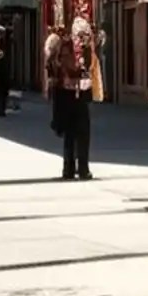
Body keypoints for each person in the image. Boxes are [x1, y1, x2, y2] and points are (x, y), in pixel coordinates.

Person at [44, 18, 104, 180]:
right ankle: (81, 169)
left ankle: (70, 169)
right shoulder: (80, 47)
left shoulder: (67, 45)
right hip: (77, 92)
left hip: (69, 92)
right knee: (81, 133)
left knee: (72, 134)